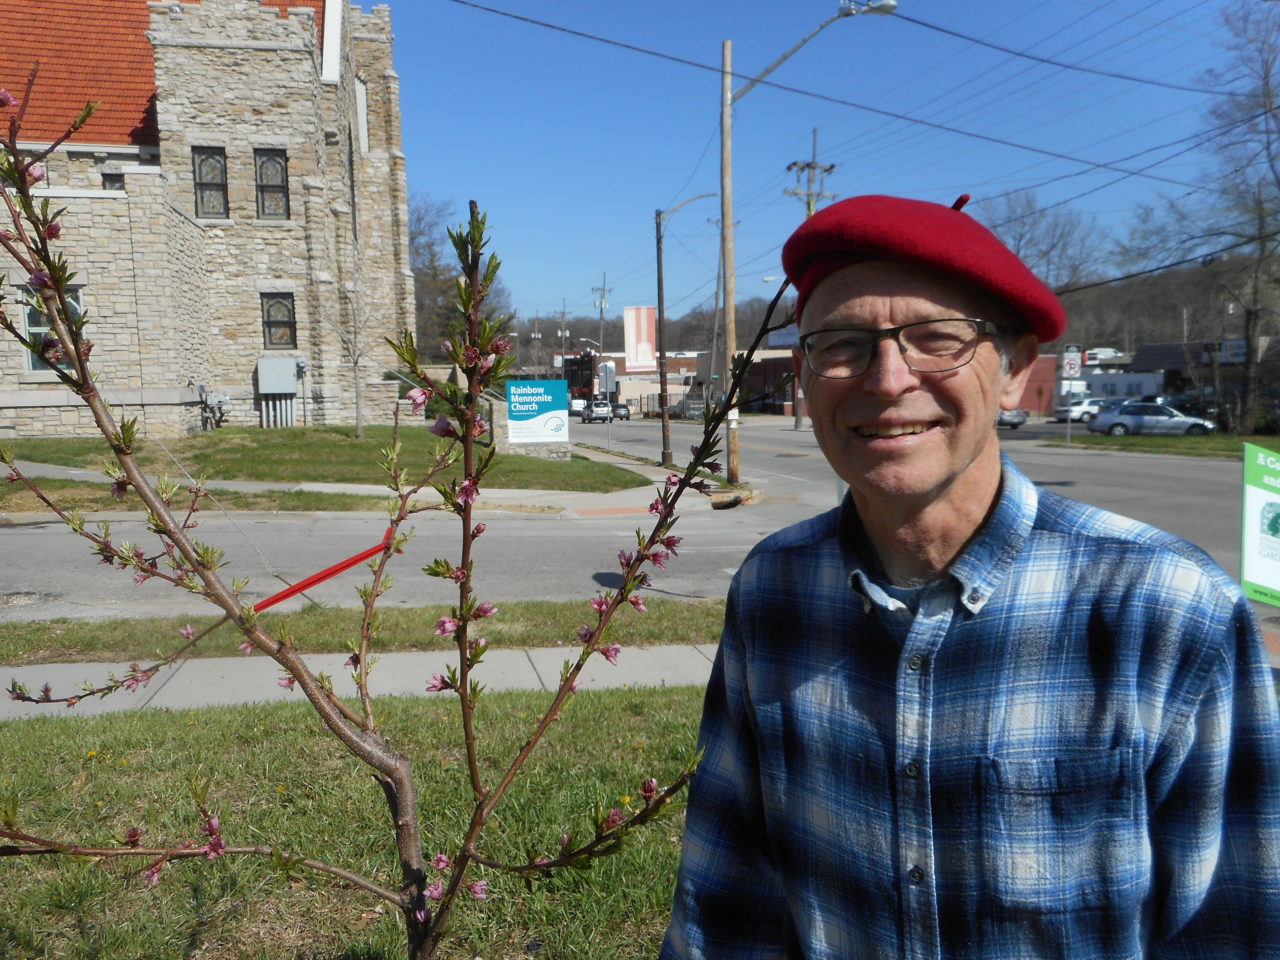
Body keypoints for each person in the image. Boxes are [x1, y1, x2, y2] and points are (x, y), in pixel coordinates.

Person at [660, 194, 1280, 959]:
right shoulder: (773, 589)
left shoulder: (1169, 608)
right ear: (806, 376)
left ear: (1016, 369)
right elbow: (728, 897)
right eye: (844, 344)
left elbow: (1238, 927)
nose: (888, 380)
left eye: (935, 340)